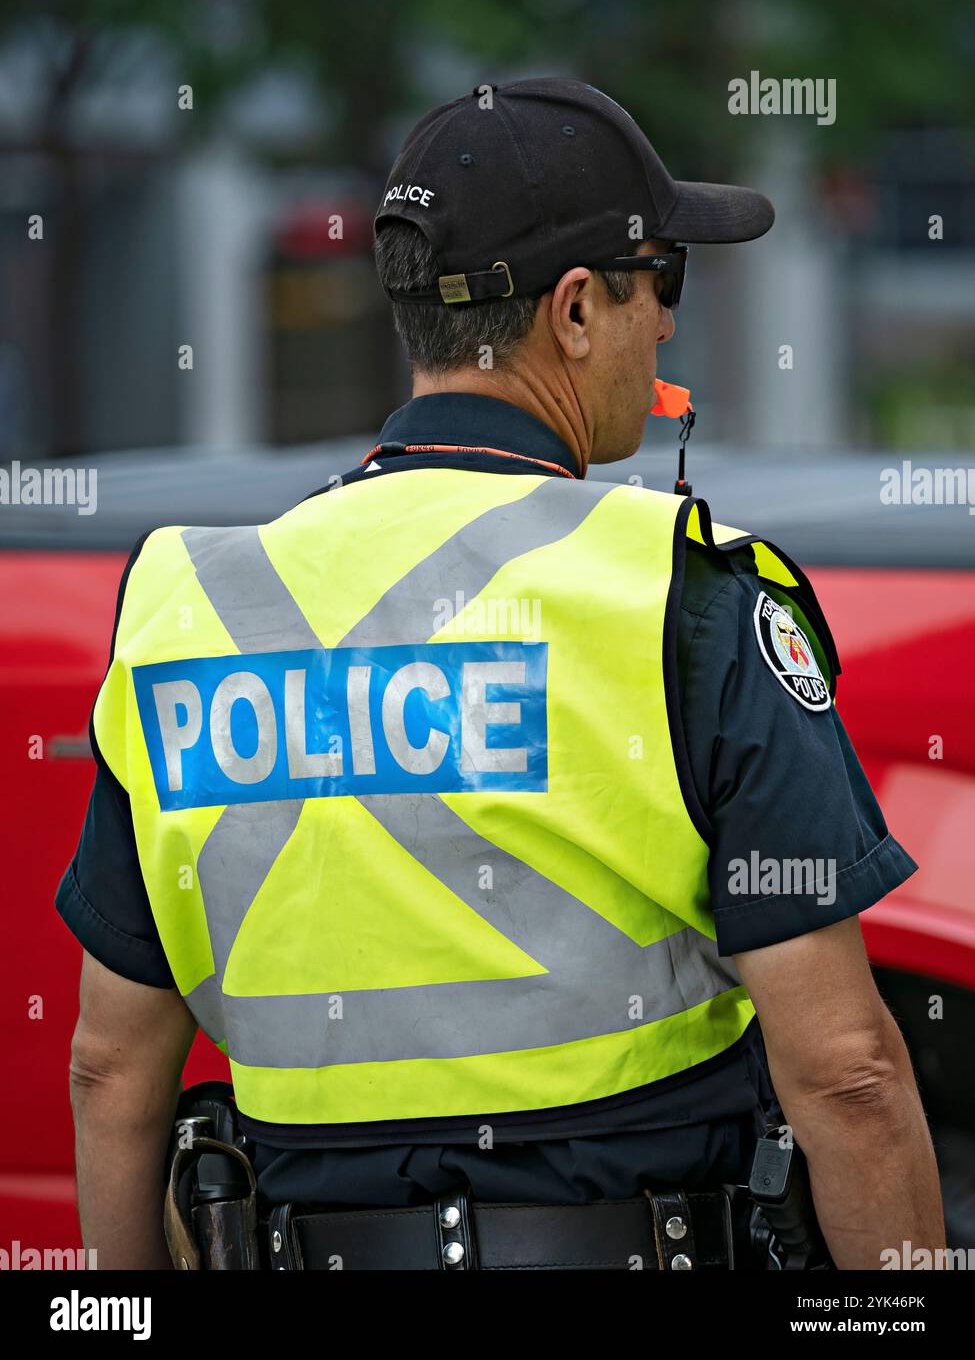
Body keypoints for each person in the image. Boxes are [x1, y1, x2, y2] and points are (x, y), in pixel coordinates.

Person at [57, 78, 943, 1271]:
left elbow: (111, 1068)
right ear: (575, 312)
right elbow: (847, 1072)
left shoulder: (185, 609)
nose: (668, 326)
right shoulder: (683, 597)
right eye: (660, 279)